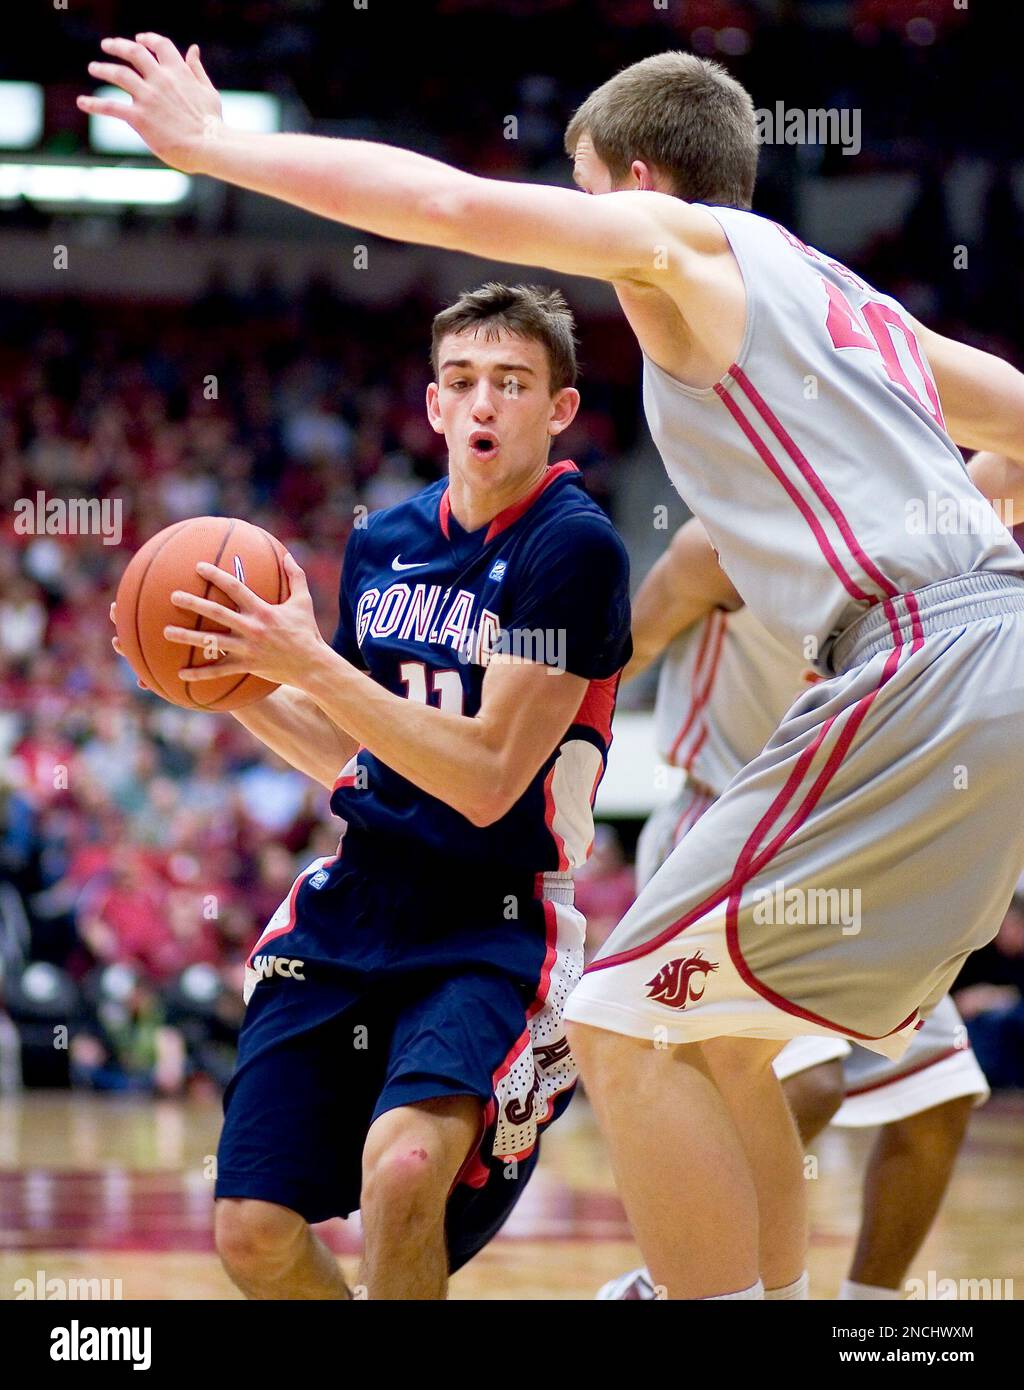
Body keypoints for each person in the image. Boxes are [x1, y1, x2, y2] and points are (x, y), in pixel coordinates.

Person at [85, 39, 1024, 1300]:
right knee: (723, 1037)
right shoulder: (842, 298)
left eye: (586, 196)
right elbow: (1015, 407)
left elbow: (445, 205)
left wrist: (215, 149)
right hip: (975, 647)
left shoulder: (685, 247)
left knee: (620, 1017)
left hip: (916, 654)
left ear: (635, 183)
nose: (584, 231)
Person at [112, 283, 632, 1299]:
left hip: (493, 919)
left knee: (401, 1171)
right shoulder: (384, 541)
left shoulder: (571, 549)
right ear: (433, 406)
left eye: (511, 384)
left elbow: (486, 779)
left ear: (556, 410)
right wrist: (227, 679)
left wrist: (304, 661)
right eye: (462, 382)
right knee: (253, 1229)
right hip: (358, 901)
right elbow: (357, 754)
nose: (483, 405)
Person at [598, 463, 1024, 1296]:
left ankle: (866, 1318)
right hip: (726, 823)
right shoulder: (715, 549)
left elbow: (1007, 458)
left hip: (846, 835)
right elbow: (619, 653)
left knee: (940, 1101)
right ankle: (680, 1274)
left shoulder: (913, 524)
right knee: (808, 1080)